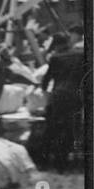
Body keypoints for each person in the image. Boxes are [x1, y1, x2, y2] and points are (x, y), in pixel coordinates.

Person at [38, 34, 84, 172]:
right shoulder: (81, 55)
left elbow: (45, 82)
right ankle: (63, 163)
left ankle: (44, 162)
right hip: (76, 97)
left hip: (59, 96)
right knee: (70, 129)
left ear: (57, 45)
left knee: (53, 129)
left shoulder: (56, 58)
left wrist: (47, 100)